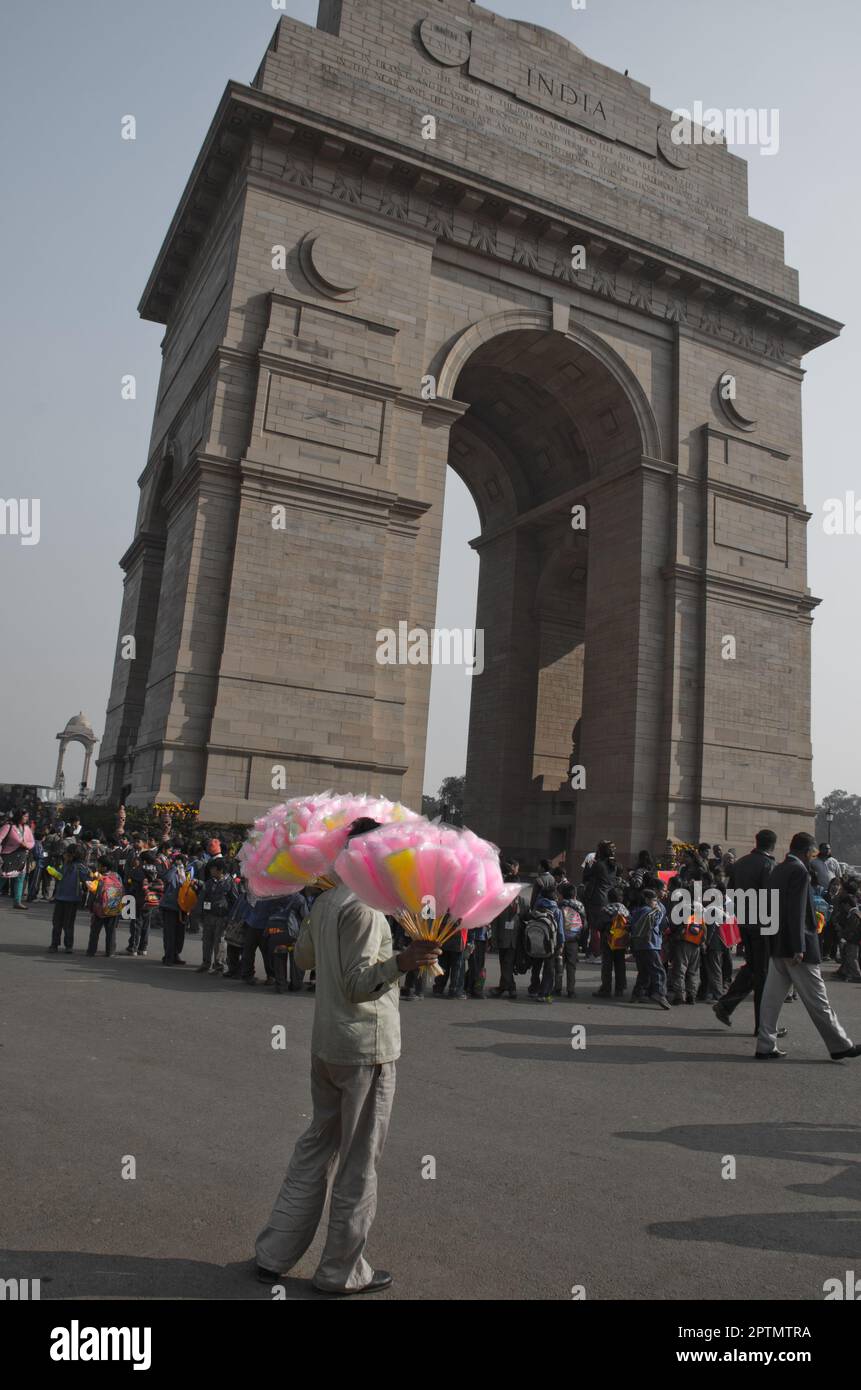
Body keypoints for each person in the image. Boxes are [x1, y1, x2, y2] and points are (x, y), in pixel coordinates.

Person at [254, 818, 440, 1295]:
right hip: (365, 1048)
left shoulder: (327, 900)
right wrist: (401, 961)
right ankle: (341, 1272)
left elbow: (303, 960)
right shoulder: (364, 909)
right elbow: (360, 985)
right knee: (359, 1163)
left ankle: (274, 1253)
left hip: (326, 1044)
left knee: (316, 1146)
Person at [755, 832, 860, 1061]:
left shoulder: (777, 870)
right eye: (812, 853)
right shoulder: (800, 872)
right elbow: (798, 912)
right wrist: (799, 946)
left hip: (778, 944)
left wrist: (773, 941)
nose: (813, 858)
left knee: (771, 1001)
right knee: (818, 1000)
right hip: (798, 946)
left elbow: (769, 909)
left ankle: (765, 1043)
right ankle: (840, 1044)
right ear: (806, 851)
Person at [714, 830, 777, 1033]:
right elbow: (770, 898)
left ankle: (726, 1005)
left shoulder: (740, 864)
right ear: (773, 845)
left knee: (753, 968)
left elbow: (731, 893)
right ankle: (763, 1025)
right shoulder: (768, 865)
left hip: (745, 922)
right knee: (763, 974)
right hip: (763, 925)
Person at [628, 890, 670, 1010]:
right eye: (654, 900)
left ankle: (637, 994)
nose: (655, 903)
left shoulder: (637, 911)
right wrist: (659, 910)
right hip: (650, 945)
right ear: (647, 900)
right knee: (659, 971)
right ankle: (659, 993)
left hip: (639, 945)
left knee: (644, 971)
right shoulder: (649, 911)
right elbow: (657, 923)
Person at [197, 859, 238, 974]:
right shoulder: (209, 882)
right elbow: (202, 898)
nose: (211, 870)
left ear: (220, 870)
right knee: (206, 940)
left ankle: (219, 965)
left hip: (222, 917)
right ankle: (205, 963)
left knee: (219, 942)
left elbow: (235, 901)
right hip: (208, 915)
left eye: (213, 868)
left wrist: (231, 918)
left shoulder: (230, 883)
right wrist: (200, 913)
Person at [47, 846, 89, 952]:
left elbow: (87, 879)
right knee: (59, 923)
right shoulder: (65, 865)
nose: (64, 855)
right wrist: (54, 873)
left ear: (72, 855)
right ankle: (56, 944)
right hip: (61, 897)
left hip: (72, 899)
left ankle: (66, 945)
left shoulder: (80, 867)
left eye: (66, 853)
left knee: (65, 923)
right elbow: (60, 876)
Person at [490, 862, 521, 1000]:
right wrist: (494, 939)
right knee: (505, 963)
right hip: (503, 938)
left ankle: (509, 988)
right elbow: (495, 922)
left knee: (507, 964)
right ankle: (505, 987)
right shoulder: (500, 901)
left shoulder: (522, 902)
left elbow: (525, 918)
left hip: (515, 939)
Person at [592, 886, 628, 998]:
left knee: (607, 966)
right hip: (621, 942)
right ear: (621, 898)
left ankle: (606, 989)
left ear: (608, 898)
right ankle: (620, 989)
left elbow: (599, 925)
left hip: (607, 941)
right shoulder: (625, 911)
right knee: (620, 965)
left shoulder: (605, 910)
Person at [86, 856, 125, 957]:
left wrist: (90, 906)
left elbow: (93, 893)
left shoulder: (98, 877)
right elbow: (122, 891)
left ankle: (91, 951)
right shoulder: (117, 876)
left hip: (99, 908)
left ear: (104, 867)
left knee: (95, 931)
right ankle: (110, 952)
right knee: (111, 932)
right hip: (113, 908)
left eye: (99, 865)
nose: (97, 866)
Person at [0, 809, 36, 910]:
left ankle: (17, 901)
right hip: (9, 856)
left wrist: (26, 845)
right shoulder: (9, 826)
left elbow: (31, 842)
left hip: (22, 856)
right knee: (3, 877)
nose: (26, 818)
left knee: (20, 878)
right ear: (19, 816)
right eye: (25, 816)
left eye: (27, 817)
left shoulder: (27, 828)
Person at [557, 881, 584, 998]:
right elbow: (584, 922)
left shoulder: (559, 905)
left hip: (561, 939)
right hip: (574, 939)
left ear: (562, 894)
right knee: (571, 966)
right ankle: (570, 990)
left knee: (559, 964)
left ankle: (557, 988)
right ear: (574, 895)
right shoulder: (580, 906)